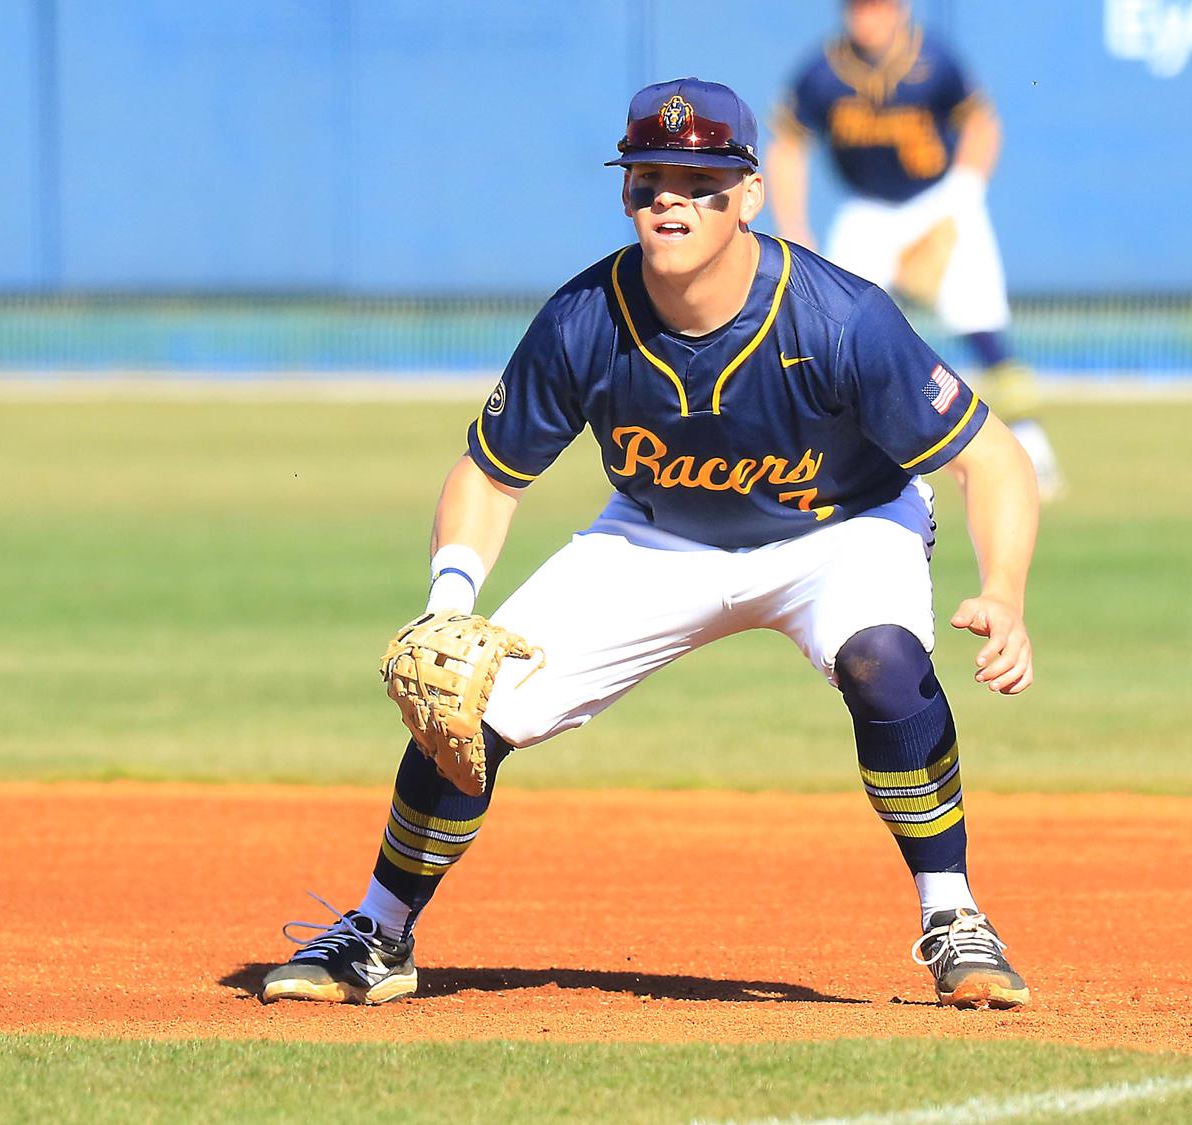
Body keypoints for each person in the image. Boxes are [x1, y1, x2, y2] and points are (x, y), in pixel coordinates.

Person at [261, 77, 1041, 1011]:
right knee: (464, 700)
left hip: (842, 529)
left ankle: (955, 917)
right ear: (625, 193)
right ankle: (377, 930)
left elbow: (993, 459)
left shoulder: (839, 318)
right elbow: (490, 473)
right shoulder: (585, 319)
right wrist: (450, 600)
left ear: (749, 195)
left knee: (885, 660)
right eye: (650, 180)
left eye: (701, 181)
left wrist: (1004, 591)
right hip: (657, 536)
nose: (672, 199)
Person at [767, 0, 1065, 500]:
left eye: (877, 7)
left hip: (938, 202)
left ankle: (1033, 451)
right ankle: (811, 459)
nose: (867, 17)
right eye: (858, 8)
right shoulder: (823, 73)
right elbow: (788, 146)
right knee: (825, 335)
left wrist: (961, 203)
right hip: (866, 215)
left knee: (983, 323)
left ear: (900, 9)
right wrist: (795, 227)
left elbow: (983, 125)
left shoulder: (934, 60)